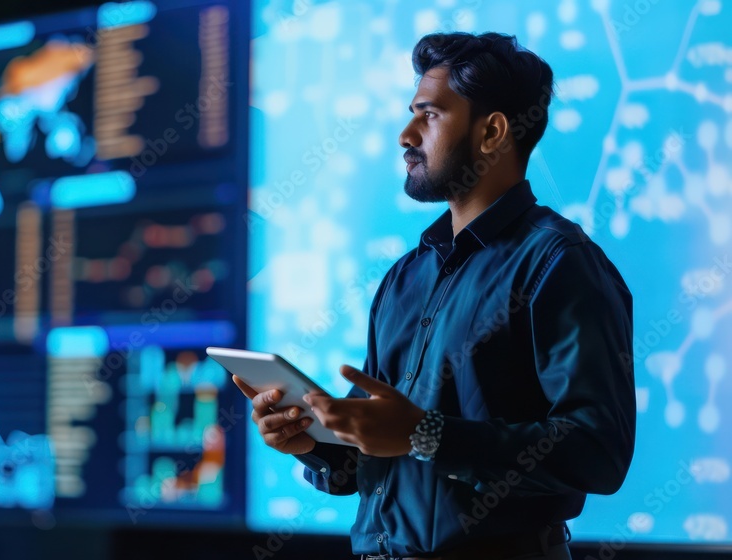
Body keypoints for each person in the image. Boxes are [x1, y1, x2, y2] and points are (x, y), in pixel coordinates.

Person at [233, 32, 635, 560]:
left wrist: (426, 434)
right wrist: (312, 443)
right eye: (412, 114)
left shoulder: (559, 262)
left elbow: (598, 453)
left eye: (429, 115)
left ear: (491, 132)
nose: (406, 134)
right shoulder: (405, 277)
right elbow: (371, 456)